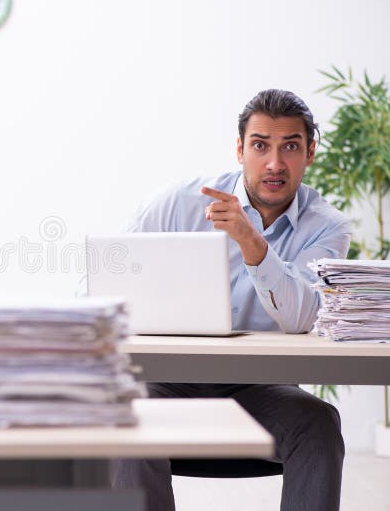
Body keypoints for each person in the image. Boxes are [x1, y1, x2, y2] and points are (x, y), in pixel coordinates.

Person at [112, 89, 352, 511]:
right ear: (240, 149)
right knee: (126, 416)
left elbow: (303, 317)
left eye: (290, 147)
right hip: (168, 382)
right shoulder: (177, 205)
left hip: (263, 388)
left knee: (320, 423)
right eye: (260, 145)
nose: (275, 163)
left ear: (310, 153)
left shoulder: (327, 228)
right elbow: (102, 288)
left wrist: (251, 243)